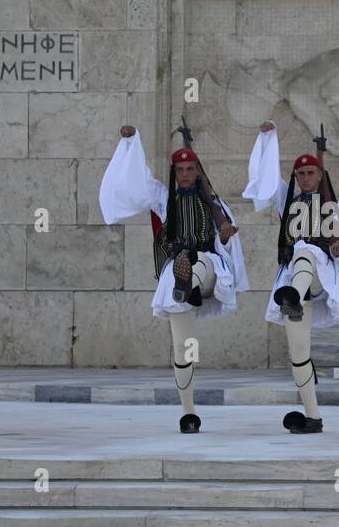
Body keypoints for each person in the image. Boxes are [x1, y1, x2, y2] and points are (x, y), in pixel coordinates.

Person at [100, 124, 248, 433]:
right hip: (175, 277)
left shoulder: (215, 204)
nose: (184, 174)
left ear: (197, 171)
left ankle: (188, 282)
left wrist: (226, 234)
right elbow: (135, 183)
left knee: (197, 261)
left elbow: (229, 242)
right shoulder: (163, 198)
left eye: (190, 169)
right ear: (175, 172)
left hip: (208, 268)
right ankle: (188, 413)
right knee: (182, 348)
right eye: (179, 169)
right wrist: (131, 142)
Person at [243, 121, 339, 434]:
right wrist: (268, 136)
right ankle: (313, 417)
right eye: (300, 174)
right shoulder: (289, 203)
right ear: (295, 178)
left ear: (320, 176)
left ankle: (292, 297)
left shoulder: (336, 209)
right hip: (293, 284)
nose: (306, 178)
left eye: (311, 173)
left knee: (306, 252)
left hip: (318, 277)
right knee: (299, 354)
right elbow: (266, 180)